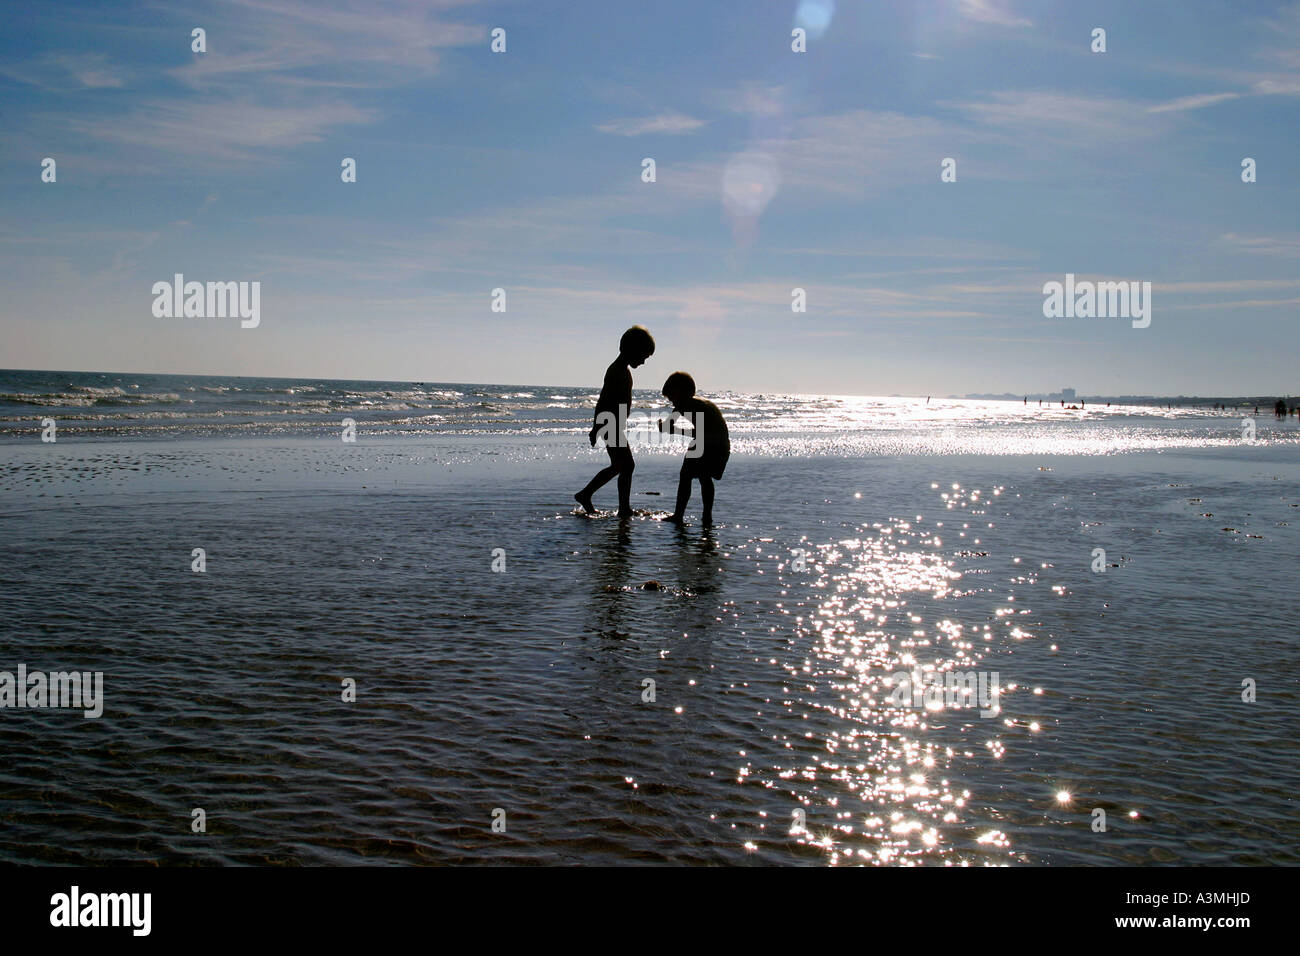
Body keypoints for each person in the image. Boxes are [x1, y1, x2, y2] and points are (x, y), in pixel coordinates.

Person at [574, 326, 655, 518]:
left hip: (614, 425)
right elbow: (604, 400)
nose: (643, 362)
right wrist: (596, 427)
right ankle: (618, 506)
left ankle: (588, 495)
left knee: (621, 465)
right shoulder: (616, 371)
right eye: (643, 356)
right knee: (626, 465)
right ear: (631, 350)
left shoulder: (623, 371)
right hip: (610, 424)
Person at [659, 371, 730, 526]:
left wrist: (673, 430)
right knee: (705, 478)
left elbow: (697, 432)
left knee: (686, 476)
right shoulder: (696, 403)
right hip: (721, 444)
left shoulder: (686, 405)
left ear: (681, 393)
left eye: (672, 398)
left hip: (709, 443)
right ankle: (706, 516)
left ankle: (679, 515)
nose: (672, 403)